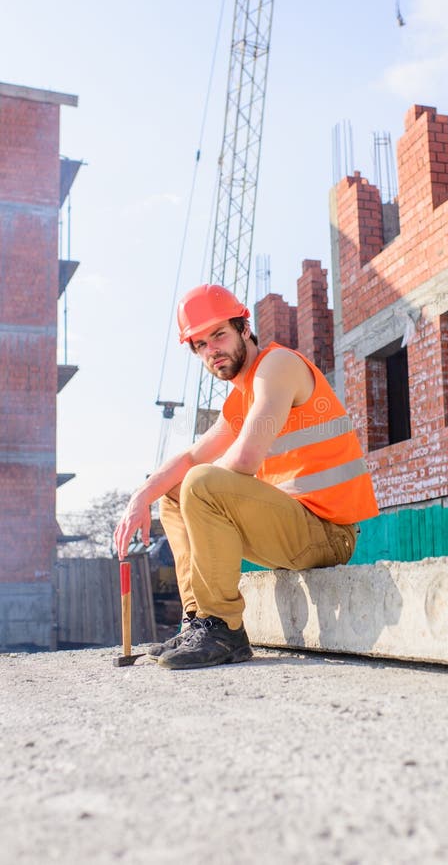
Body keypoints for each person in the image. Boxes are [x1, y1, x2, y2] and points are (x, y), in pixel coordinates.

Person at [114, 284, 379, 670]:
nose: (212, 350)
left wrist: (197, 490)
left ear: (243, 327)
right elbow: (190, 455)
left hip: (328, 533)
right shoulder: (240, 398)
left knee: (198, 483)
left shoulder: (277, 366)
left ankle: (223, 628)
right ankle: (198, 621)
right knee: (173, 490)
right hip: (289, 528)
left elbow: (244, 458)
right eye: (201, 344)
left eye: (219, 334)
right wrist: (141, 497)